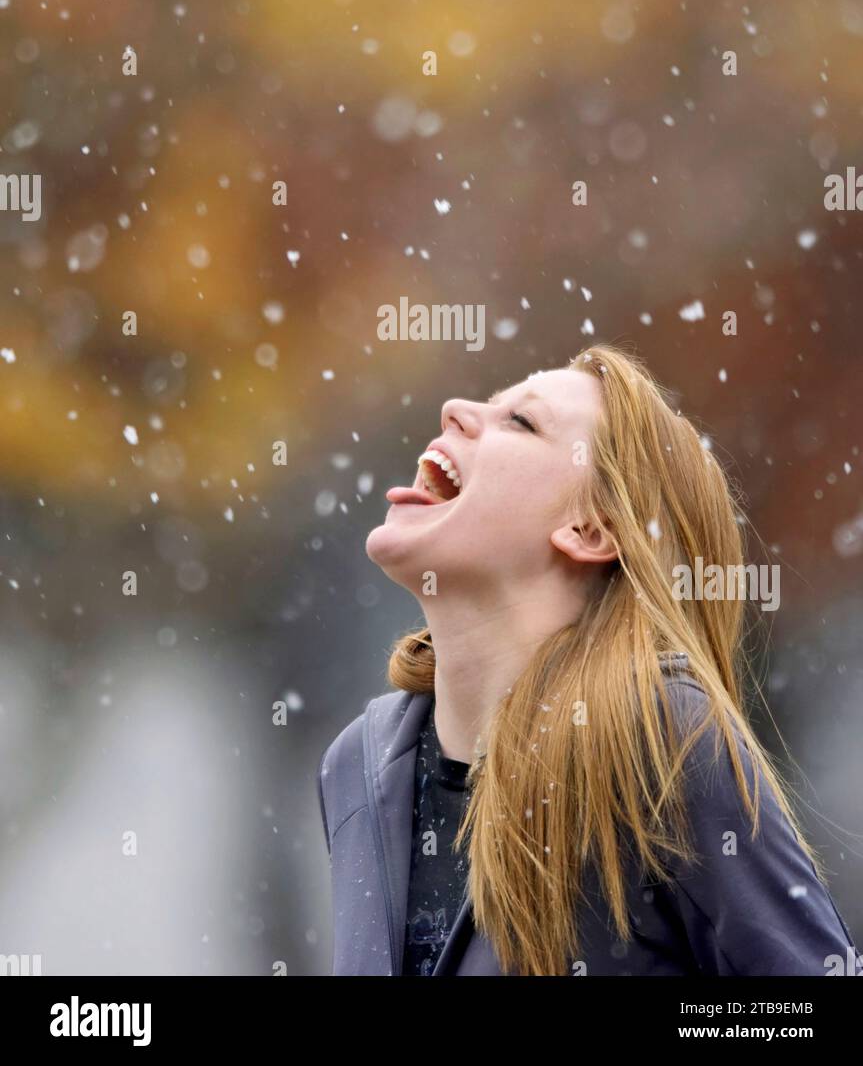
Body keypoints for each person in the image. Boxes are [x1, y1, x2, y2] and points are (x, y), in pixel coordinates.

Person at [316, 345, 859, 976]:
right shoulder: (356, 765)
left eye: (521, 422)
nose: (455, 410)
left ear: (590, 530)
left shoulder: (662, 738)